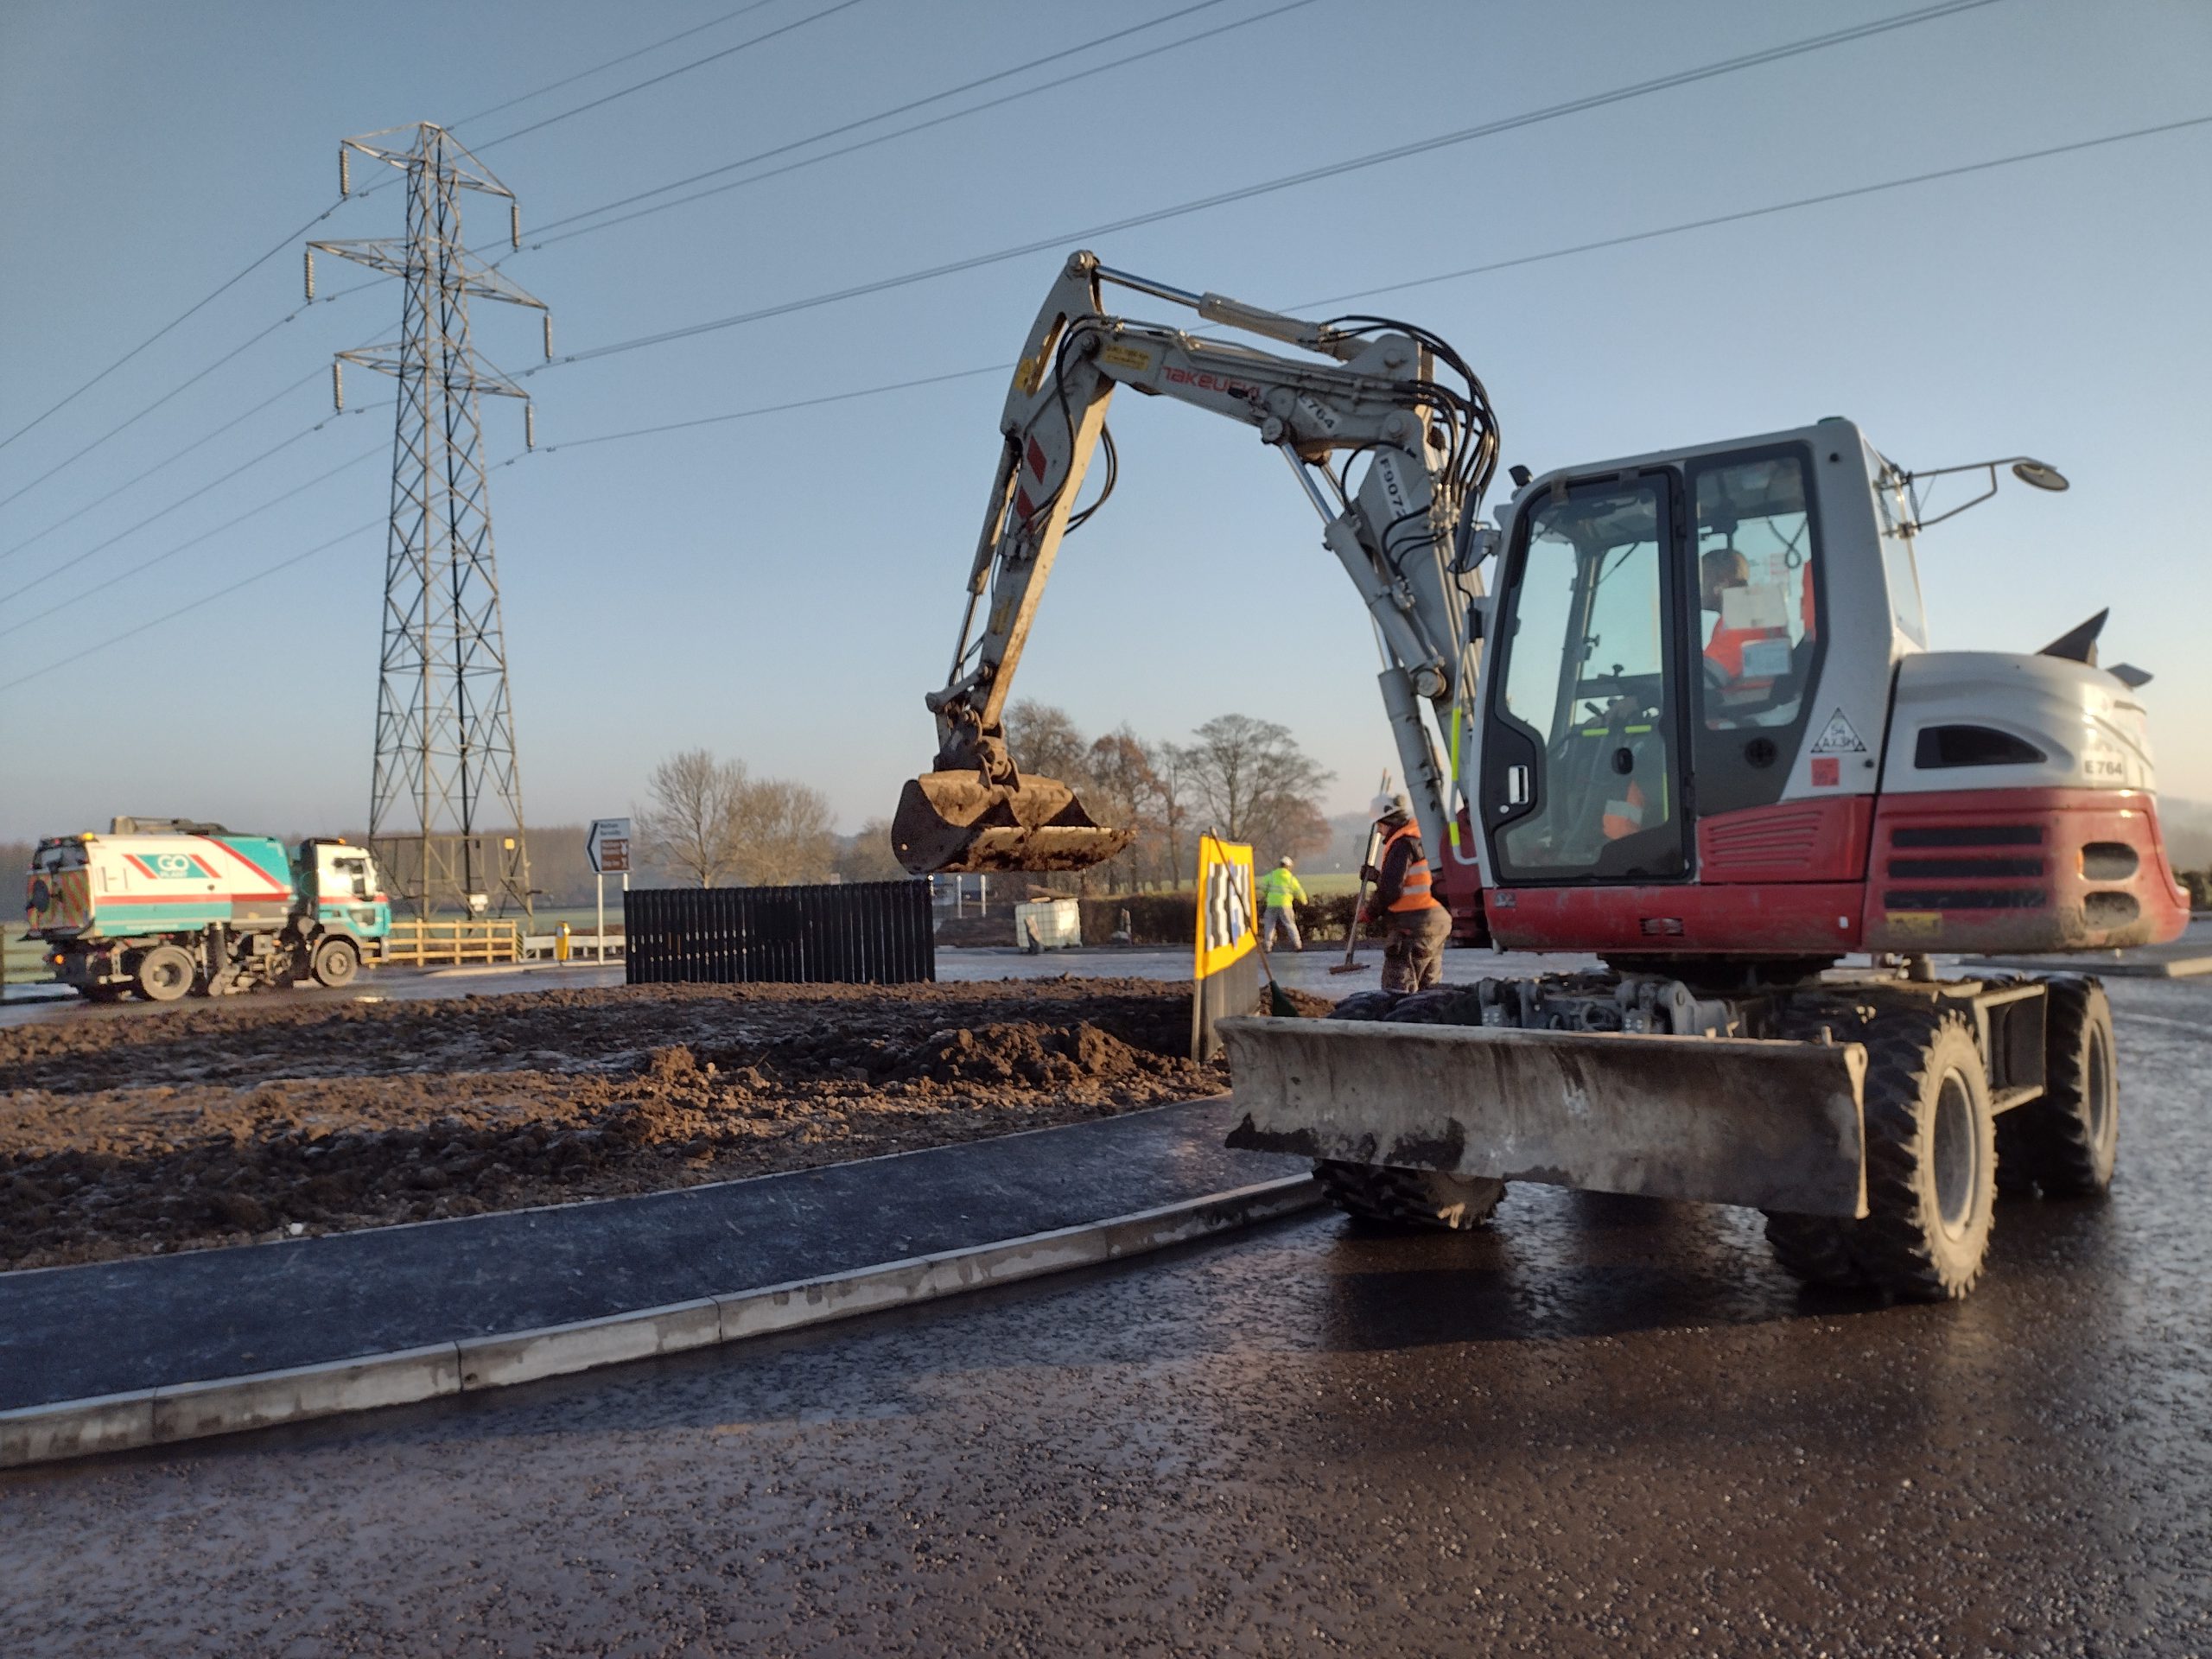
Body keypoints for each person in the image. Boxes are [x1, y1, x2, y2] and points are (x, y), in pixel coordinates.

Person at [1359, 791, 1451, 992]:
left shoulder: (1402, 844)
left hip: (1413, 926)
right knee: (1429, 994)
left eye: (1379, 827)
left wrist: (1369, 912)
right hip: (1437, 921)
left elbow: (1391, 891)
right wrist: (1376, 876)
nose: (1380, 833)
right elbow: (1413, 880)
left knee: (1398, 991)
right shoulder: (1423, 836)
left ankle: (1399, 1024)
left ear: (1386, 822)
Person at [1256, 855, 1307, 951]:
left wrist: (1267, 895)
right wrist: (1304, 901)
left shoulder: (1271, 875)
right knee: (1290, 924)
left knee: (1269, 925)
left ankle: (1267, 946)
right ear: (1289, 866)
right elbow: (1299, 891)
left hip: (1272, 904)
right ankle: (1298, 945)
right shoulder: (1291, 878)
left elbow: (1263, 887)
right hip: (1285, 905)